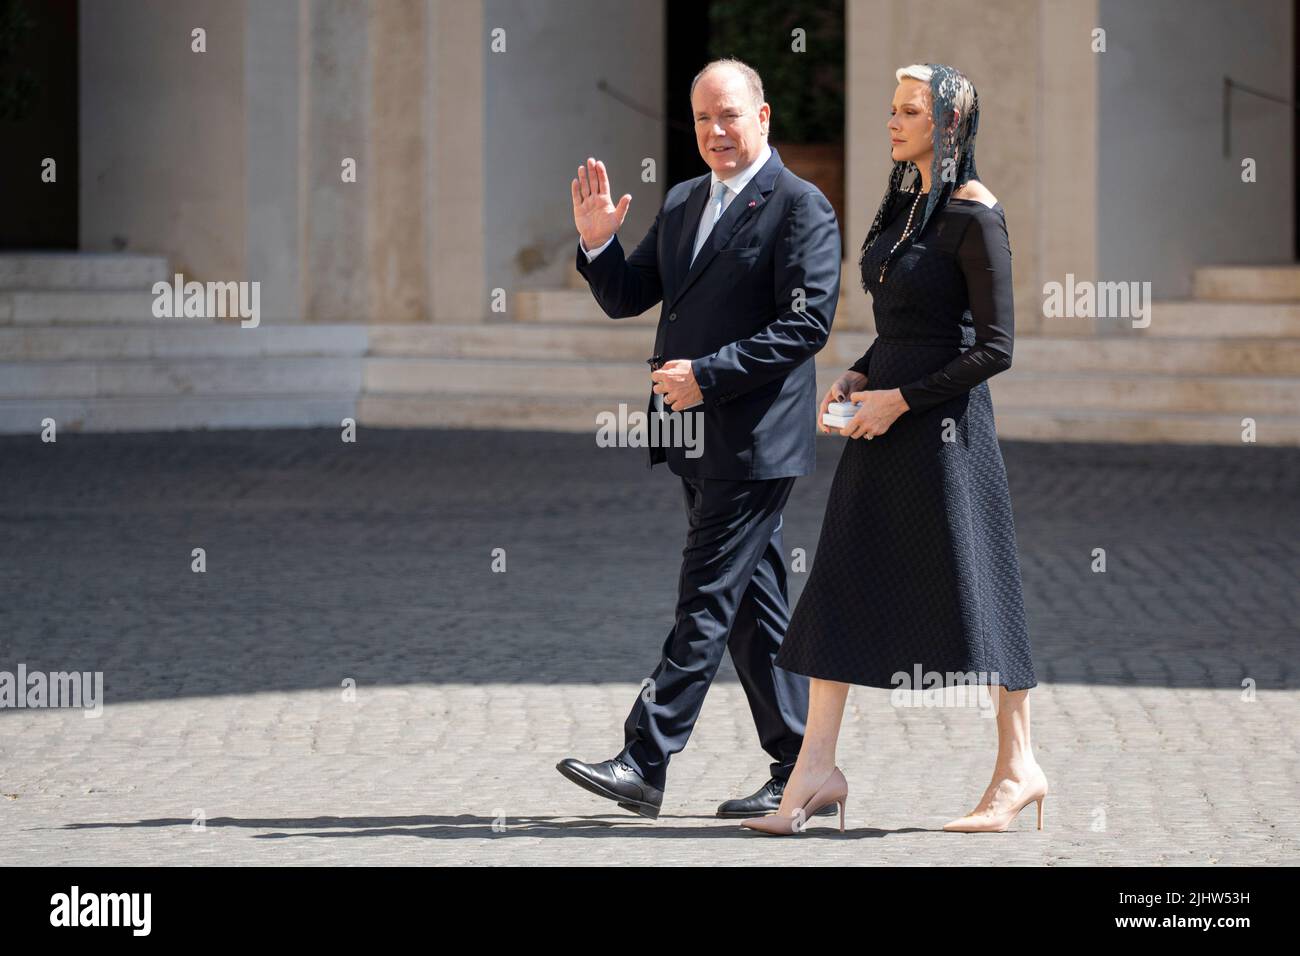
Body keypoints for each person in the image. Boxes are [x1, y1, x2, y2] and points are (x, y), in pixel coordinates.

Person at [741, 63, 1048, 836]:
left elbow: (997, 348)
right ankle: (814, 771)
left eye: (911, 110)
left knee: (980, 591)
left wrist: (901, 398)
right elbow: (905, 325)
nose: (893, 120)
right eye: (892, 108)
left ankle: (1019, 769)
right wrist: (858, 373)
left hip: (946, 434)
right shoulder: (907, 207)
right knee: (840, 580)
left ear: (949, 124)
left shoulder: (976, 214)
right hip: (880, 424)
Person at [556, 58, 842, 820]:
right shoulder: (685, 201)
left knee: (706, 597)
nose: (716, 131)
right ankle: (800, 764)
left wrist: (707, 377)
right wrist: (596, 247)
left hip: (754, 441)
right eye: (703, 119)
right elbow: (628, 296)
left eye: (729, 116)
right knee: (753, 606)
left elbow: (806, 325)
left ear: (764, 117)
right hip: (692, 434)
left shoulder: (801, 206)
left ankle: (644, 760)